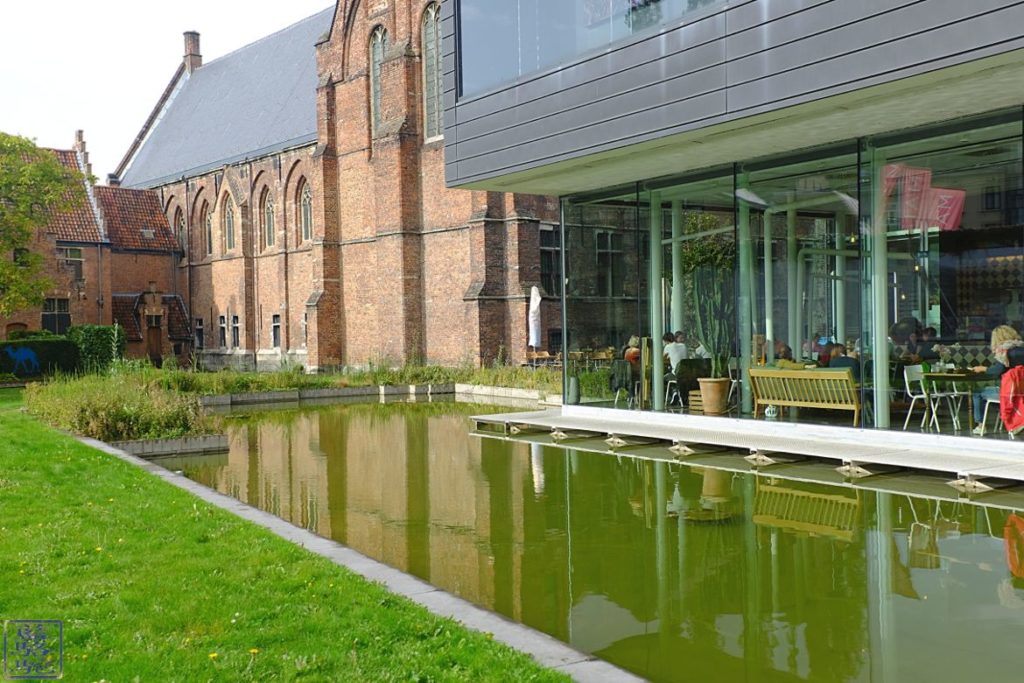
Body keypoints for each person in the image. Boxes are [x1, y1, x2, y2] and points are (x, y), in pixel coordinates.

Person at [971, 325, 1024, 435]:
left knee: (978, 392)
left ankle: (981, 426)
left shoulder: (1004, 352)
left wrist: (982, 368)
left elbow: (996, 371)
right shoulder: (1021, 348)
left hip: (1009, 393)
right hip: (1021, 393)